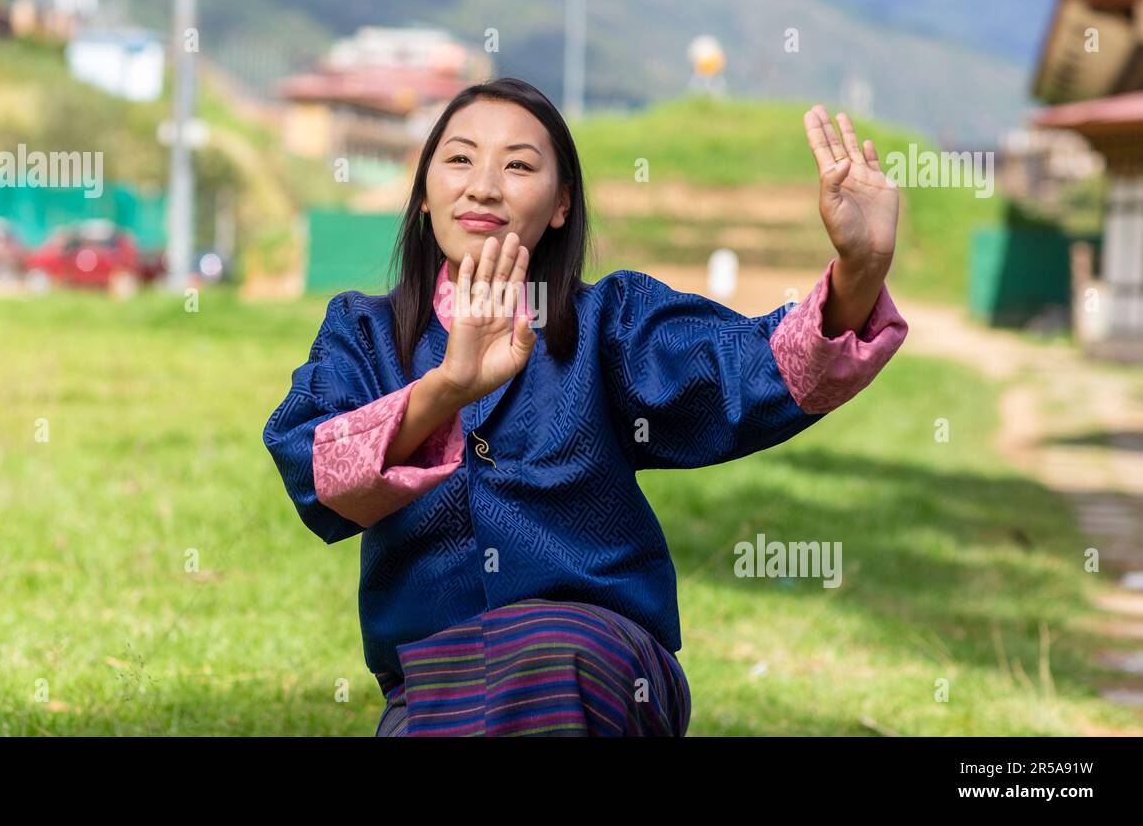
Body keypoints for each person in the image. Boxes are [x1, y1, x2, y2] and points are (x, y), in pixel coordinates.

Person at [263, 77, 908, 736]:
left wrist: (859, 272)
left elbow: (754, 368)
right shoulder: (363, 333)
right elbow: (320, 476)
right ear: (424, 194)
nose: (483, 185)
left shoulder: (612, 322)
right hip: (439, 691)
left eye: (518, 165)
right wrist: (447, 389)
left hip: (597, 663)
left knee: (548, 658)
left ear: (561, 203)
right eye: (459, 159)